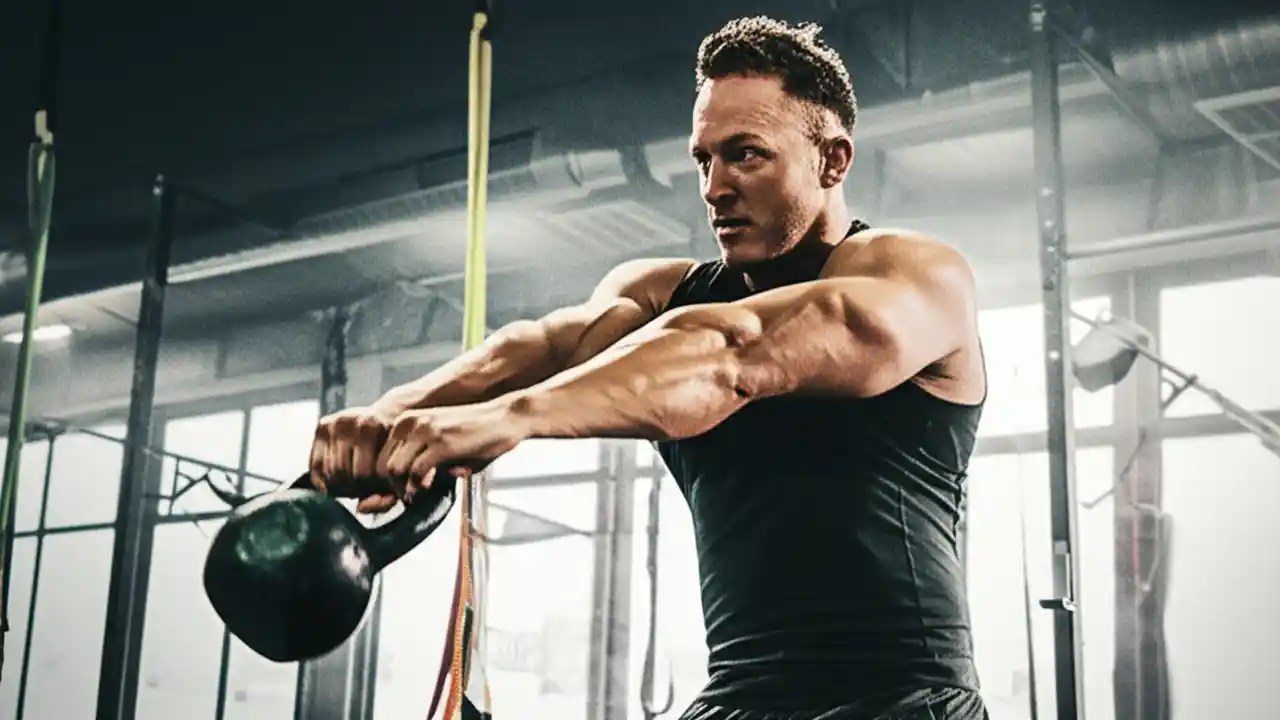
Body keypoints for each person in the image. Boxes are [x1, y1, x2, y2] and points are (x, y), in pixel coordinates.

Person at [309, 16, 989, 720]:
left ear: (833, 160)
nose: (714, 187)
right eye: (704, 160)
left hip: (902, 699)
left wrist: (511, 418)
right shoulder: (664, 291)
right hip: (739, 698)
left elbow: (736, 352)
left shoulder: (916, 275)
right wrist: (395, 411)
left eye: (746, 155)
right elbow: (547, 345)